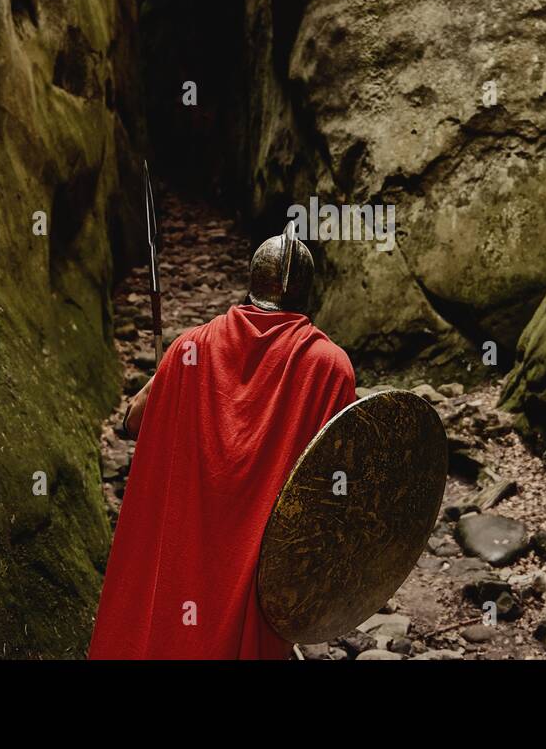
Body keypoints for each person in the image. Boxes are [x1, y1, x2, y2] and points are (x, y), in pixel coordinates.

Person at [89, 227, 356, 659]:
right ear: (308, 293)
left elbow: (132, 422)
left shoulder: (190, 347)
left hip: (187, 549)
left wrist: (168, 376)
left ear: (252, 284)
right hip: (260, 572)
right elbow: (336, 486)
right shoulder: (329, 368)